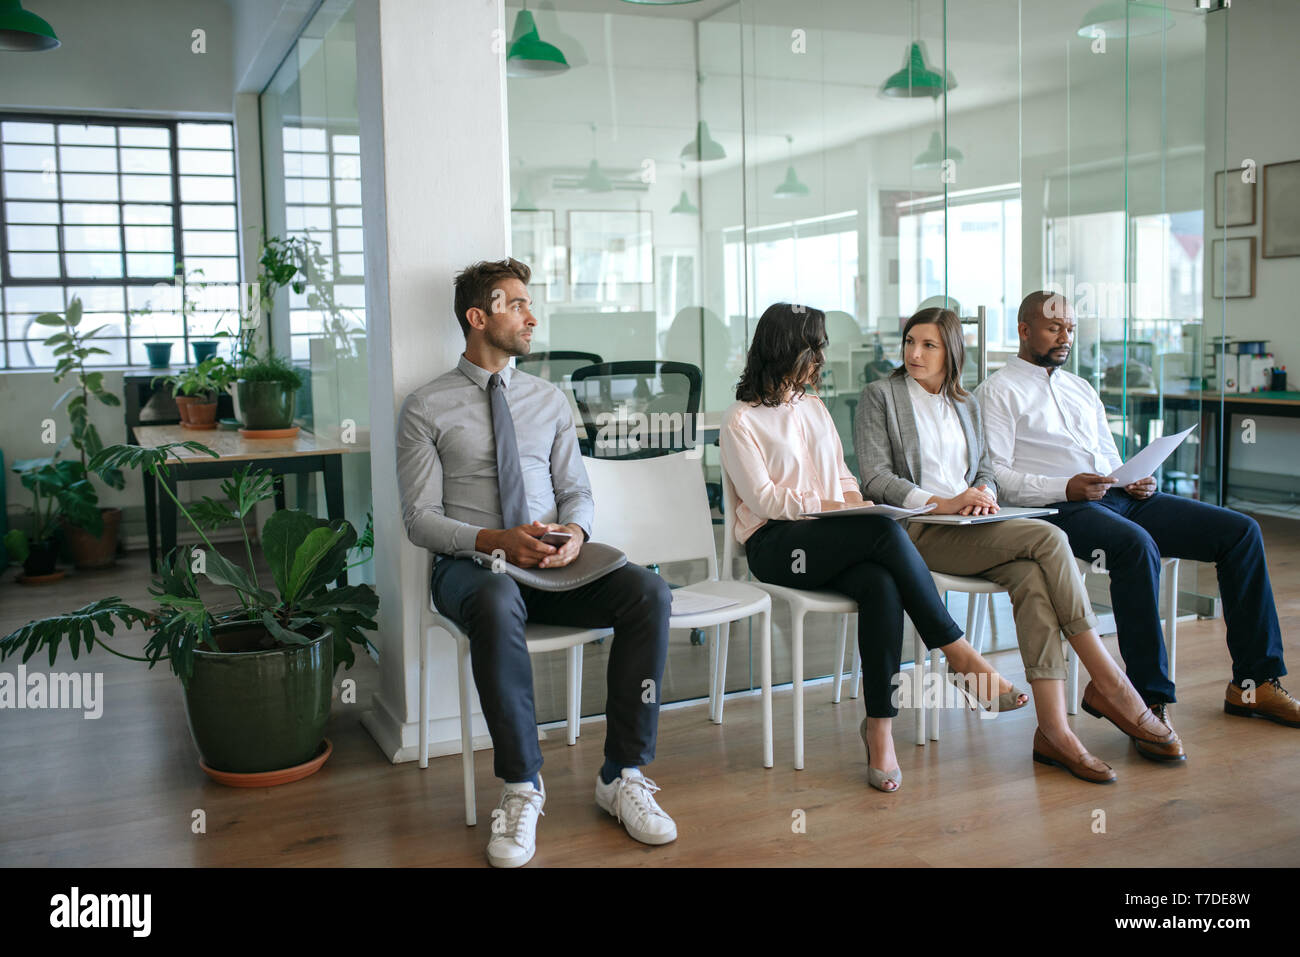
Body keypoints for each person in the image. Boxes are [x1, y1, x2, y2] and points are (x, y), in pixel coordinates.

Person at [396, 257, 676, 868]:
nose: (532, 316)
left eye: (529, 303)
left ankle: (622, 774)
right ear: (478, 317)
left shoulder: (548, 400)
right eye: (517, 304)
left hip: (554, 562)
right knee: (497, 600)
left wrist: (575, 532)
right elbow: (419, 519)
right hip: (472, 568)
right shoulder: (425, 407)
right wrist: (496, 541)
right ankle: (522, 786)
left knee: (649, 593)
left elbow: (576, 489)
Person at [855, 307, 1180, 782]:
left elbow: (985, 469)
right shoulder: (880, 396)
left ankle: (1054, 732)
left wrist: (983, 494)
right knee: (1049, 538)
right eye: (910, 342)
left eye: (929, 345)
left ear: (951, 352)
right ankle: (1110, 681)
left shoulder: (965, 403)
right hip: (918, 529)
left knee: (1032, 578)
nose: (914, 353)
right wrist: (943, 502)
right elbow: (876, 478)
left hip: (974, 525)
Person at [720, 302, 1028, 794]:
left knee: (881, 584)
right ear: (785, 349)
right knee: (884, 534)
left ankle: (879, 729)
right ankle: (961, 656)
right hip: (776, 544)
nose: (819, 358)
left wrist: (855, 506)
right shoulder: (740, 420)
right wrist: (836, 508)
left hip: (827, 533)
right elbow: (766, 500)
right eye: (813, 348)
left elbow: (843, 477)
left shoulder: (814, 407)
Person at [976, 290, 1299, 754]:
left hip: (1117, 495)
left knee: (1240, 532)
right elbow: (1000, 478)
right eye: (1054, 328)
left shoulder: (1080, 388)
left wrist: (1135, 477)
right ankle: (1147, 699)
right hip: (1060, 508)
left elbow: (1106, 456)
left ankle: (1255, 684)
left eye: (1070, 327)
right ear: (1025, 330)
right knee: (1135, 546)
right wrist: (1066, 487)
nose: (1065, 336)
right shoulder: (998, 391)